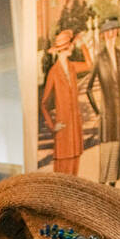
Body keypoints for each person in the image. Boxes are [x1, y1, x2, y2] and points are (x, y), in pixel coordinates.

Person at [40, 28, 92, 176]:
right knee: (62, 176)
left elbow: (89, 65)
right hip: (62, 130)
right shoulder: (53, 72)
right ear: (64, 49)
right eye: (71, 45)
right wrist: (52, 125)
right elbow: (43, 103)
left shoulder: (72, 67)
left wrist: (83, 45)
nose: (72, 48)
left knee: (74, 174)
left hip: (75, 129)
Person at [84, 15, 120, 187]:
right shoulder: (99, 58)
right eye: (107, 31)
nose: (111, 35)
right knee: (107, 158)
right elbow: (88, 88)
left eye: (113, 30)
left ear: (117, 32)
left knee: (118, 157)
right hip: (107, 114)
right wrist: (97, 112)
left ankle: (113, 191)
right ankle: (102, 194)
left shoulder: (118, 54)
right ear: (103, 35)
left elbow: (119, 85)